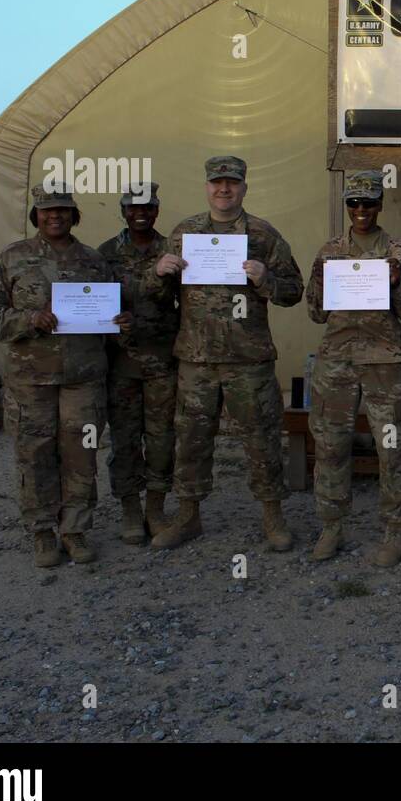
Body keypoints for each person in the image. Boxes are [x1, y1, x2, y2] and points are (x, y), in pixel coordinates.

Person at [146, 156, 303, 550]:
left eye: (232, 183)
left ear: (244, 188)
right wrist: (158, 273)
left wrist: (267, 280)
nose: (224, 189)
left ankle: (272, 516)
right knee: (192, 439)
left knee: (262, 438)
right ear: (207, 187)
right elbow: (160, 298)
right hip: (197, 360)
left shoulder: (263, 236)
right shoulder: (184, 234)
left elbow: (294, 290)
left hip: (248, 359)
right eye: (217, 183)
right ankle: (188, 516)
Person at [0, 182, 130, 567]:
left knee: (81, 454)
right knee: (35, 454)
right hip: (31, 379)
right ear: (36, 216)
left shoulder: (94, 261)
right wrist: (28, 319)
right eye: (47, 210)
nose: (55, 215)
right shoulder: (12, 258)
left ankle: (75, 531)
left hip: (83, 376)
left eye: (62, 209)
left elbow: (111, 310)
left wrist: (119, 321)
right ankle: (42, 531)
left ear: (74, 215)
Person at [304, 170, 401, 567]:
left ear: (380, 204)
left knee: (391, 448)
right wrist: (324, 284)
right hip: (336, 363)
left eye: (368, 202)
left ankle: (394, 531)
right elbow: (315, 313)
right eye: (353, 203)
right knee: (330, 446)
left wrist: (396, 284)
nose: (361, 210)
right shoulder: (329, 252)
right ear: (347, 207)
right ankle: (332, 526)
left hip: (384, 364)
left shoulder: (399, 253)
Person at [97, 181, 179, 544]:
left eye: (147, 207)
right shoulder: (103, 254)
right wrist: (110, 324)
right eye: (133, 207)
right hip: (121, 363)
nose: (140, 213)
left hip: (163, 359)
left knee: (162, 438)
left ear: (157, 210)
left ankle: (156, 508)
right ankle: (130, 507)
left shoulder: (172, 250)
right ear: (123, 211)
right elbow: (93, 304)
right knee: (125, 438)